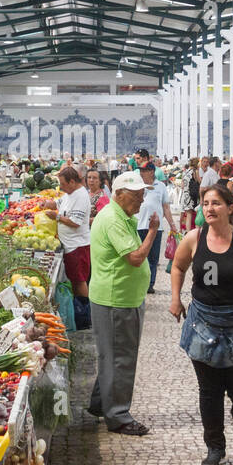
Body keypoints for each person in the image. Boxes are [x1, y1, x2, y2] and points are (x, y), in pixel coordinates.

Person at [169, 183, 233, 465]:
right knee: (209, 391)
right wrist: (175, 298)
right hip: (202, 324)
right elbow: (177, 267)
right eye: (205, 203)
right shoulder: (194, 238)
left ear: (229, 208)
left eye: (215, 203)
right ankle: (215, 448)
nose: (209, 208)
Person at [87, 171, 161, 436]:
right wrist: (152, 232)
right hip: (116, 300)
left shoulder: (121, 215)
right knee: (121, 358)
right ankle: (118, 416)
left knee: (110, 354)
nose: (141, 200)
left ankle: (100, 403)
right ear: (118, 194)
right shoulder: (114, 219)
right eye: (136, 195)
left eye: (143, 195)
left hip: (119, 297)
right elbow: (136, 258)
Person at [45, 167, 92, 330]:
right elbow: (59, 202)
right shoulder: (70, 194)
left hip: (77, 246)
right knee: (75, 279)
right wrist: (47, 203)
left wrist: (56, 217)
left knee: (79, 281)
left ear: (72, 182)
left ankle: (84, 317)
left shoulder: (81, 196)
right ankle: (79, 312)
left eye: (63, 184)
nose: (61, 187)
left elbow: (75, 222)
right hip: (70, 245)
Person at [136, 162, 175, 295]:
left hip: (156, 228)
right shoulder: (137, 185)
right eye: (140, 170)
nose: (141, 173)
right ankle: (140, 282)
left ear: (152, 172)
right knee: (140, 257)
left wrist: (172, 225)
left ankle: (150, 284)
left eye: (144, 170)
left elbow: (166, 207)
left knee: (153, 258)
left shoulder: (161, 186)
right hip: (139, 225)